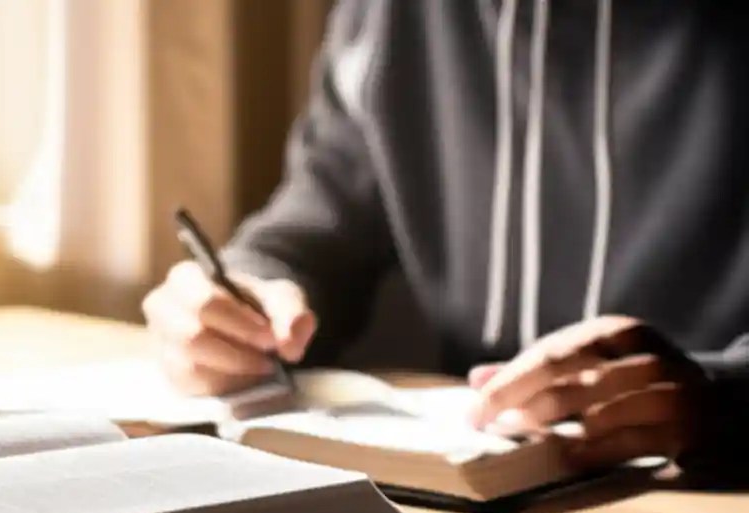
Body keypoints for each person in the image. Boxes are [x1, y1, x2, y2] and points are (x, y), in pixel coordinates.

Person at [142, 0, 748, 471]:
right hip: (477, 485)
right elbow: (319, 219)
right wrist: (242, 297)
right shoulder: (391, 14)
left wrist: (718, 394)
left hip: (708, 502)